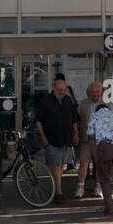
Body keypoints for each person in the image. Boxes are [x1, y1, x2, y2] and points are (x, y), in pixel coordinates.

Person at [35, 75, 79, 203]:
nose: (62, 92)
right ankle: (58, 191)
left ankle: (55, 188)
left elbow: (74, 119)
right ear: (53, 88)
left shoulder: (67, 100)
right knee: (56, 164)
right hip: (51, 138)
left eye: (64, 90)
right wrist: (43, 137)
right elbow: (38, 121)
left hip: (66, 139)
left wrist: (76, 133)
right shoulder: (45, 101)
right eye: (60, 90)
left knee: (61, 165)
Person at [75, 81, 103, 198]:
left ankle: (98, 187)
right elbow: (76, 119)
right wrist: (76, 133)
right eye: (93, 92)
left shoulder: (106, 104)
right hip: (86, 138)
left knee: (99, 163)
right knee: (83, 163)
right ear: (89, 93)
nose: (95, 94)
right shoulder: (83, 103)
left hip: (100, 139)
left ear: (101, 93)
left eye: (97, 92)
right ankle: (80, 187)